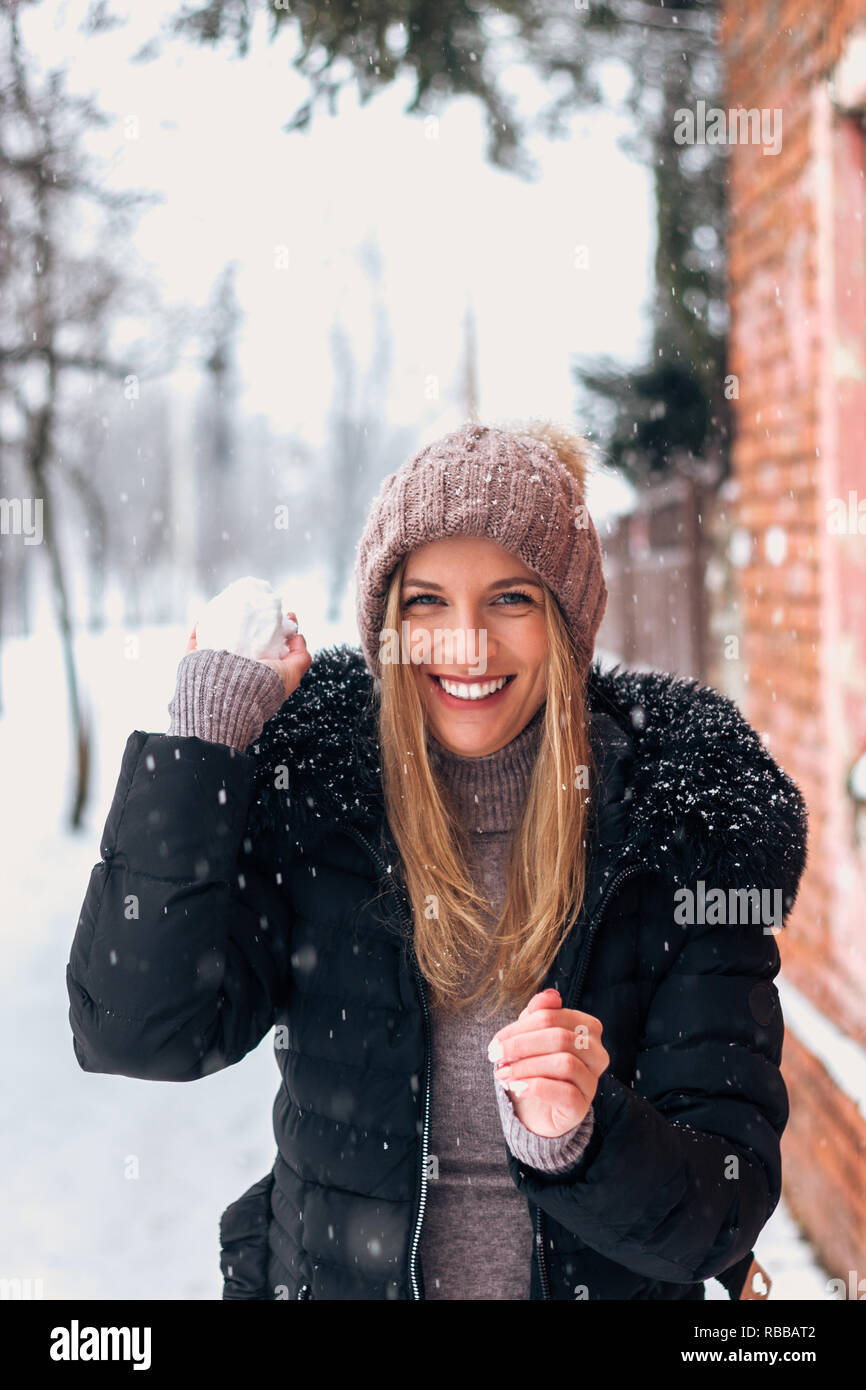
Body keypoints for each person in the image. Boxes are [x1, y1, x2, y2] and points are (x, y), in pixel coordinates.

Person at [66, 419, 808, 1300]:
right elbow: (137, 1030)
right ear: (385, 622)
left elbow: (726, 1204)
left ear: (567, 625)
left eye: (511, 600)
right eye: (425, 602)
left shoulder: (678, 831)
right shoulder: (321, 806)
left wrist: (580, 1135)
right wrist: (204, 745)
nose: (466, 645)